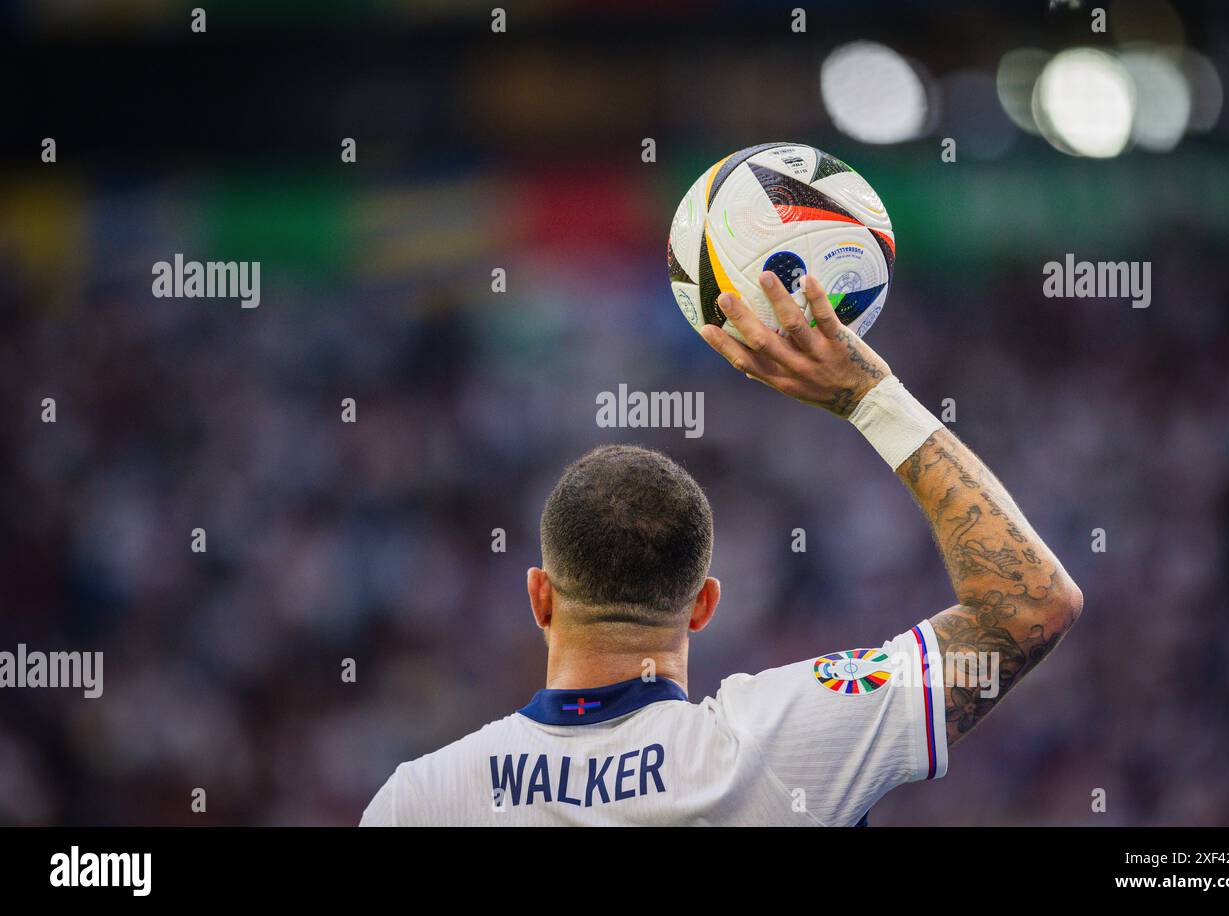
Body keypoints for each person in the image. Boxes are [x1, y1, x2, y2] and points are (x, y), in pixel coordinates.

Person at [360, 272, 1083, 826]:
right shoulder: (772, 744)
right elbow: (1031, 607)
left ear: (539, 596)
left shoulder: (420, 800)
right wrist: (870, 396)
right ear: (704, 602)